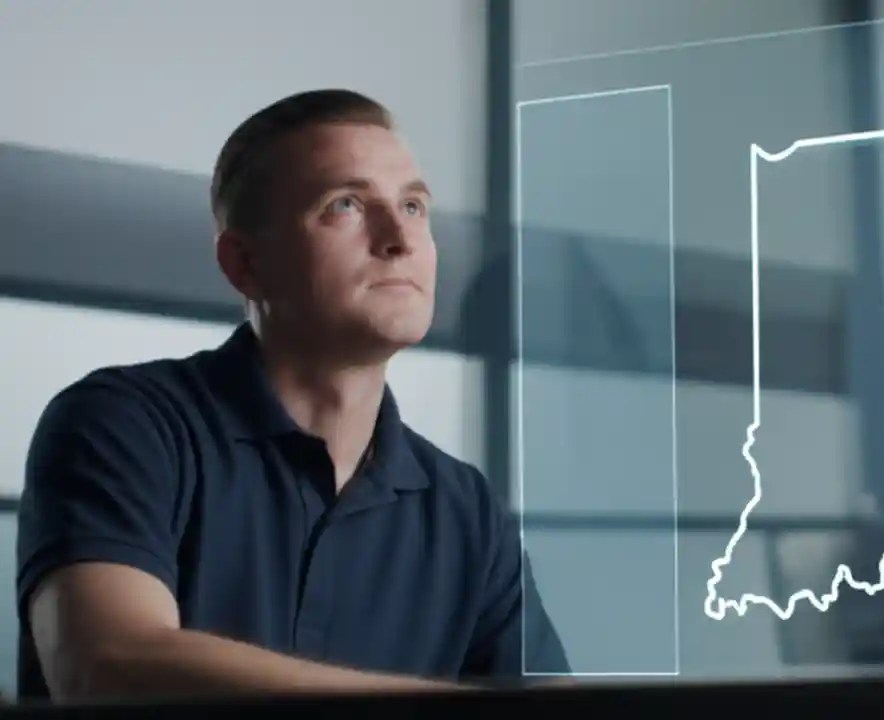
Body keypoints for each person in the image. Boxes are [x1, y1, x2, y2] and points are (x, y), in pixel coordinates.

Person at [15, 88, 570, 703]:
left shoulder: (467, 512)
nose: (399, 239)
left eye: (413, 207)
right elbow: (107, 665)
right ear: (245, 264)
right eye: (346, 205)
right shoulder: (123, 425)